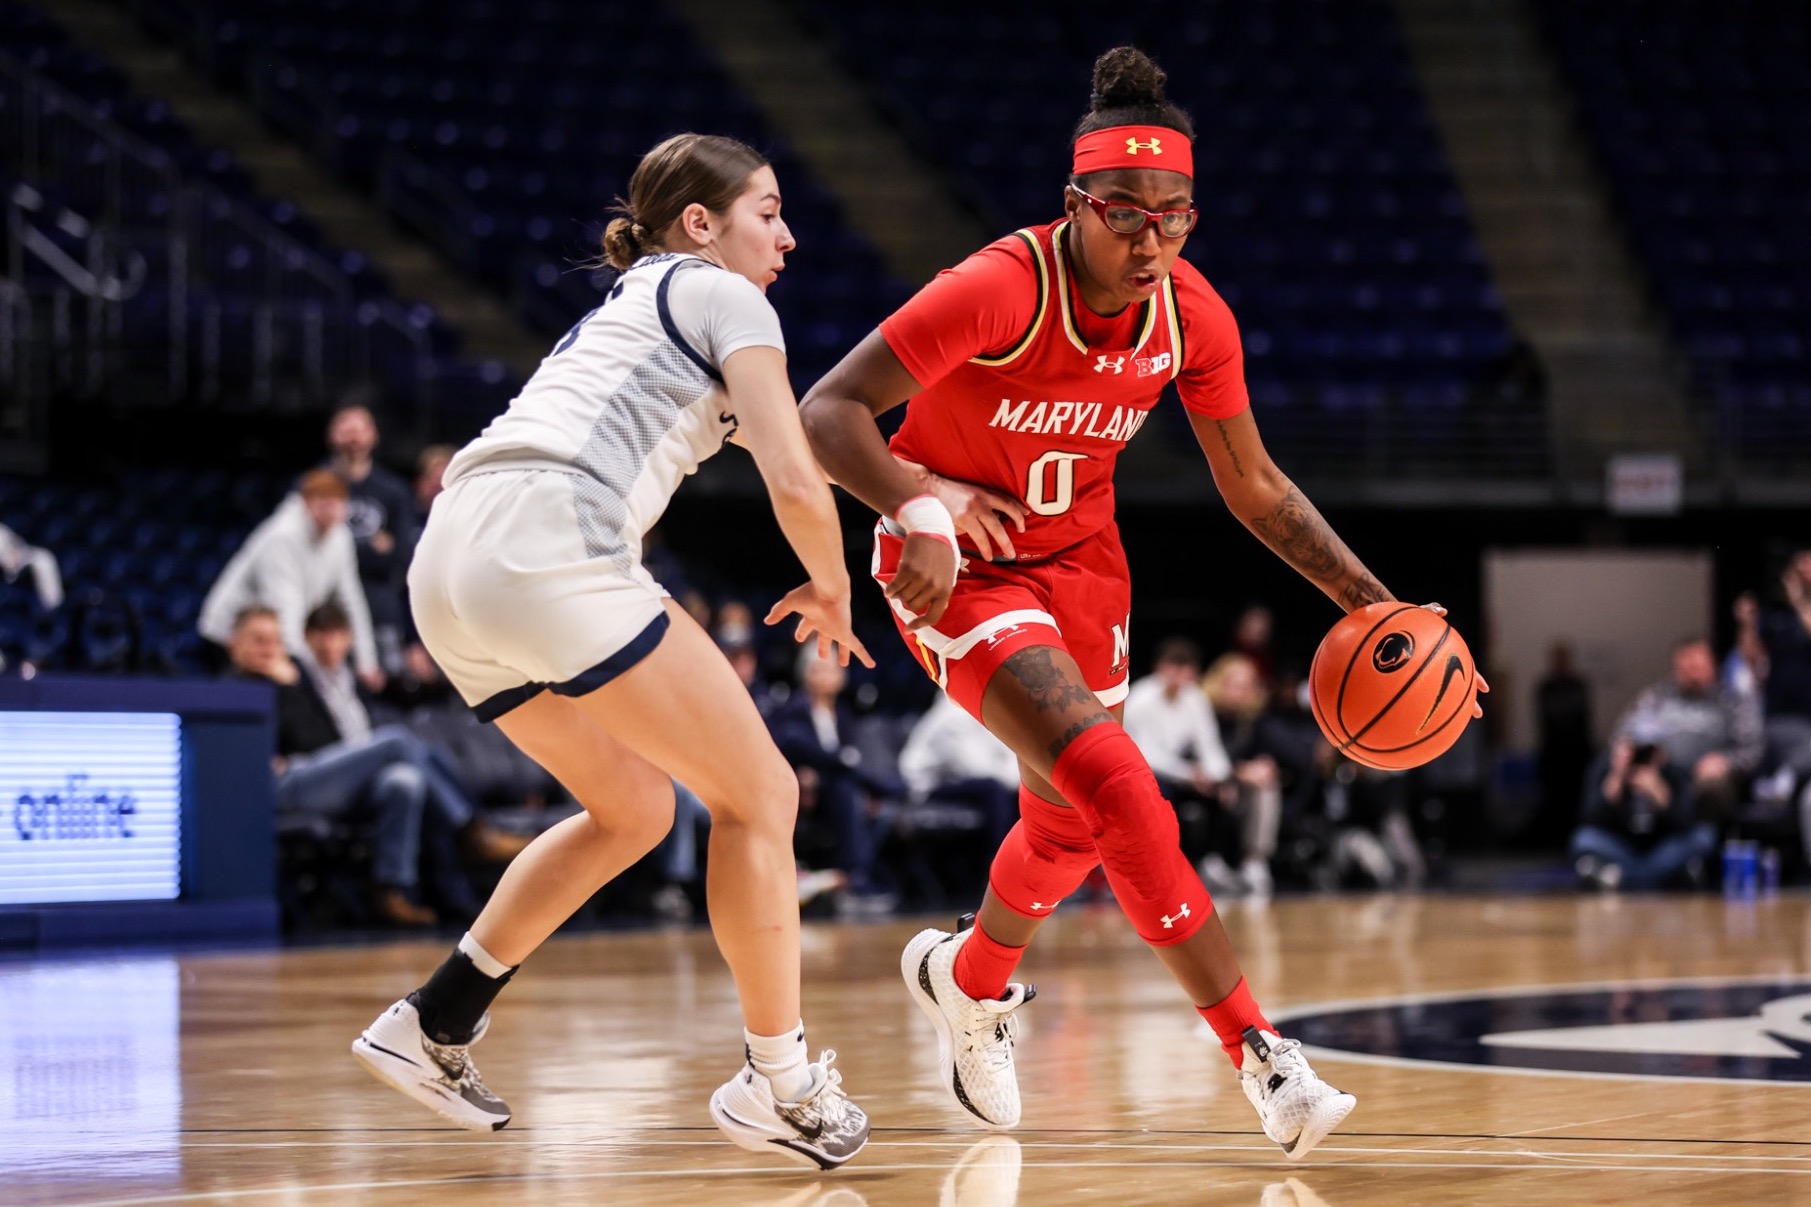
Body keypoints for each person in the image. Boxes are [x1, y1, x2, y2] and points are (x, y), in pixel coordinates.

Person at [800, 47, 1481, 1159]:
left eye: (1174, 216)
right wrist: (915, 498)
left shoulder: (1191, 316)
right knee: (1122, 788)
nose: (1150, 239)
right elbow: (828, 410)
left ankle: (967, 980)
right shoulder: (998, 287)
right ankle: (1264, 1056)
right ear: (1073, 205)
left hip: (1083, 566)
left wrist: (1386, 613)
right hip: (958, 566)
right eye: (1124, 214)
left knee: (1067, 821)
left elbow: (1254, 486)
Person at [349, 133, 870, 1168]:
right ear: (700, 223)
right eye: (767, 211)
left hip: (449, 555)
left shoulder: (630, 311)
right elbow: (794, 476)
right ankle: (782, 1083)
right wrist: (831, 579)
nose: (787, 234)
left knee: (634, 806)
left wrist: (925, 493)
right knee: (761, 796)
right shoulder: (727, 298)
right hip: (552, 541)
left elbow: (793, 444)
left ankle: (435, 1019)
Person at [198, 470, 382, 689]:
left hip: (274, 637)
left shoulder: (340, 537)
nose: (330, 509)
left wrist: (367, 661)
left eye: (336, 503)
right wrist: (306, 675)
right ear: (305, 502)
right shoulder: (282, 536)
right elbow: (283, 609)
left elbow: (351, 599)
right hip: (230, 636)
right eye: (322, 501)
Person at [1604, 637, 1762, 825]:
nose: (1691, 672)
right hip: (1661, 775)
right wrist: (1625, 750)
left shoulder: (1732, 701)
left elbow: (1752, 748)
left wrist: (1727, 761)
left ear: (1712, 665)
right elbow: (1624, 732)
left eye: (1697, 665)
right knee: (1612, 774)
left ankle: (1703, 841)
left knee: (1713, 786)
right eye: (1685, 665)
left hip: (1704, 780)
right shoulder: (1658, 697)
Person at [323, 400, 421, 676]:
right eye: (346, 428)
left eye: (360, 428)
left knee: (384, 684)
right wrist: (373, 548)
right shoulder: (314, 486)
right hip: (324, 610)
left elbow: (402, 557)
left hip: (380, 609)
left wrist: (336, 545)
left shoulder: (395, 491)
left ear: (373, 436)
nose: (353, 436)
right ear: (332, 435)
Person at [1569, 721, 1713, 891]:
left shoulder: (1674, 772)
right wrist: (1616, 781)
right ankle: (1661, 877)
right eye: (1636, 749)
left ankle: (1624, 877)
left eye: (1648, 750)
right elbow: (1589, 819)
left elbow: (1687, 822)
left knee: (1704, 836)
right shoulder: (1605, 769)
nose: (1641, 756)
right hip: (1623, 848)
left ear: (1662, 752)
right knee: (1583, 839)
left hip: (1661, 849)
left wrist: (1660, 795)